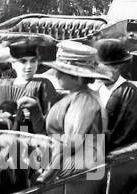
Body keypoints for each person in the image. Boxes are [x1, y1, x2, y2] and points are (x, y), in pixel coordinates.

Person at [44, 40, 105, 174]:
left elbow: (72, 144)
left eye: (62, 72)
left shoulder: (84, 101)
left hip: (83, 166)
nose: (56, 75)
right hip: (66, 156)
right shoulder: (75, 96)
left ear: (77, 77)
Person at [0, 37, 56, 133]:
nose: (29, 66)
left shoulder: (42, 84)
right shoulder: (4, 83)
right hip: (5, 135)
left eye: (33, 61)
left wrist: (34, 112)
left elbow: (51, 121)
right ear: (13, 64)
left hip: (31, 136)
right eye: (23, 61)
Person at [94, 38, 137, 149]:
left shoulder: (129, 94)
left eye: (98, 64)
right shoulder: (97, 88)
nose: (95, 68)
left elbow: (124, 137)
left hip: (118, 156)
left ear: (116, 67)